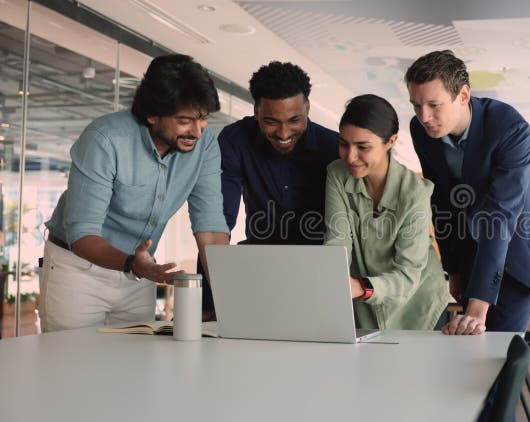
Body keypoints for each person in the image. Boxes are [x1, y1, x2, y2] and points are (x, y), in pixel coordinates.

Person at [40, 54, 230, 332]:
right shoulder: (105, 139)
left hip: (140, 274)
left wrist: (228, 300)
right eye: (185, 120)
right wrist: (133, 264)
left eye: (203, 119)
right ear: (152, 114)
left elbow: (210, 229)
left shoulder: (206, 147)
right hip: (78, 270)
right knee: (70, 356)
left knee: (133, 357)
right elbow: (82, 233)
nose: (197, 131)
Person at [405, 50, 530, 335]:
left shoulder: (509, 128)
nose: (424, 116)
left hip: (519, 245)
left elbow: (500, 215)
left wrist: (478, 307)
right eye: (416, 105)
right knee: (469, 345)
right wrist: (453, 268)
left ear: (463, 95)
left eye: (434, 105)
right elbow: (441, 201)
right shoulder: (421, 131)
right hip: (471, 245)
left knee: (498, 345)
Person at [201, 61, 339, 314]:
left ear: (307, 107)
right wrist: (210, 304)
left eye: (294, 120)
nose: (284, 133)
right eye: (271, 121)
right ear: (256, 111)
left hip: (319, 273)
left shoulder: (335, 148)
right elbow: (216, 223)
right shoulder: (235, 141)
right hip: (259, 268)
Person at [324, 94, 452, 330]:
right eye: (344, 144)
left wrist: (359, 287)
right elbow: (337, 242)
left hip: (420, 308)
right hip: (365, 307)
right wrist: (335, 279)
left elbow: (407, 276)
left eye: (363, 147)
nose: (350, 156)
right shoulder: (337, 174)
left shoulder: (415, 193)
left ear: (391, 141)